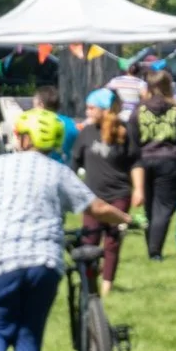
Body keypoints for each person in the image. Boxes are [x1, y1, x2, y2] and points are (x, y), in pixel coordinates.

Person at [0, 109, 126, 351]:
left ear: (23, 139)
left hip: (1, 260)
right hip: (44, 262)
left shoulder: (0, 166)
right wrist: (126, 218)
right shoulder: (59, 172)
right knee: (30, 333)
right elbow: (97, 207)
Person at [75, 88, 141, 298]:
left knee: (112, 241)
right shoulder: (86, 132)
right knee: (89, 242)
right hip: (91, 197)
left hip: (119, 194)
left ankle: (106, 287)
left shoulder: (125, 131)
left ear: (104, 110)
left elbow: (135, 162)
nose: (87, 112)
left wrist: (139, 189)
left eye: (91, 108)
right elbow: (74, 163)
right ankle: (89, 286)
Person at [135, 73, 176, 259]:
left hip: (143, 161)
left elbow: (132, 137)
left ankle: (152, 246)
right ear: (170, 86)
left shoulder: (139, 110)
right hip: (170, 161)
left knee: (150, 208)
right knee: (164, 207)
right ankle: (154, 251)